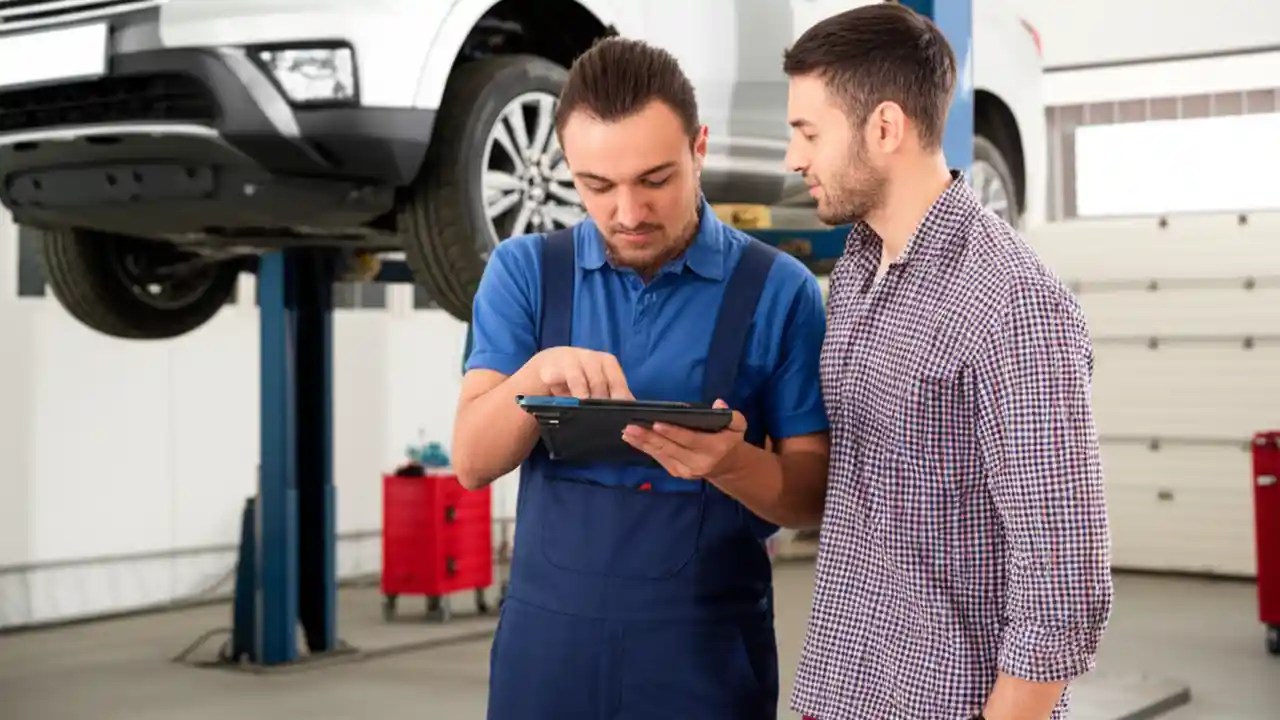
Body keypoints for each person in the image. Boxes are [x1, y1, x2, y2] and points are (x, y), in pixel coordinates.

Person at [451, 36, 831, 720]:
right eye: (597, 186)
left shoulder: (780, 292)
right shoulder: (524, 273)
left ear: (699, 147)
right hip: (548, 660)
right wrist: (534, 379)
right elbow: (473, 463)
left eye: (655, 179)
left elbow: (811, 499)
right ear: (569, 168)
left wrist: (733, 462)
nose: (628, 212)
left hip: (705, 664)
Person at [780, 5, 1114, 720]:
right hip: (843, 690)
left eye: (809, 133)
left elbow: (1064, 591)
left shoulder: (1013, 303)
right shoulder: (856, 277)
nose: (793, 158)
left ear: (886, 128)